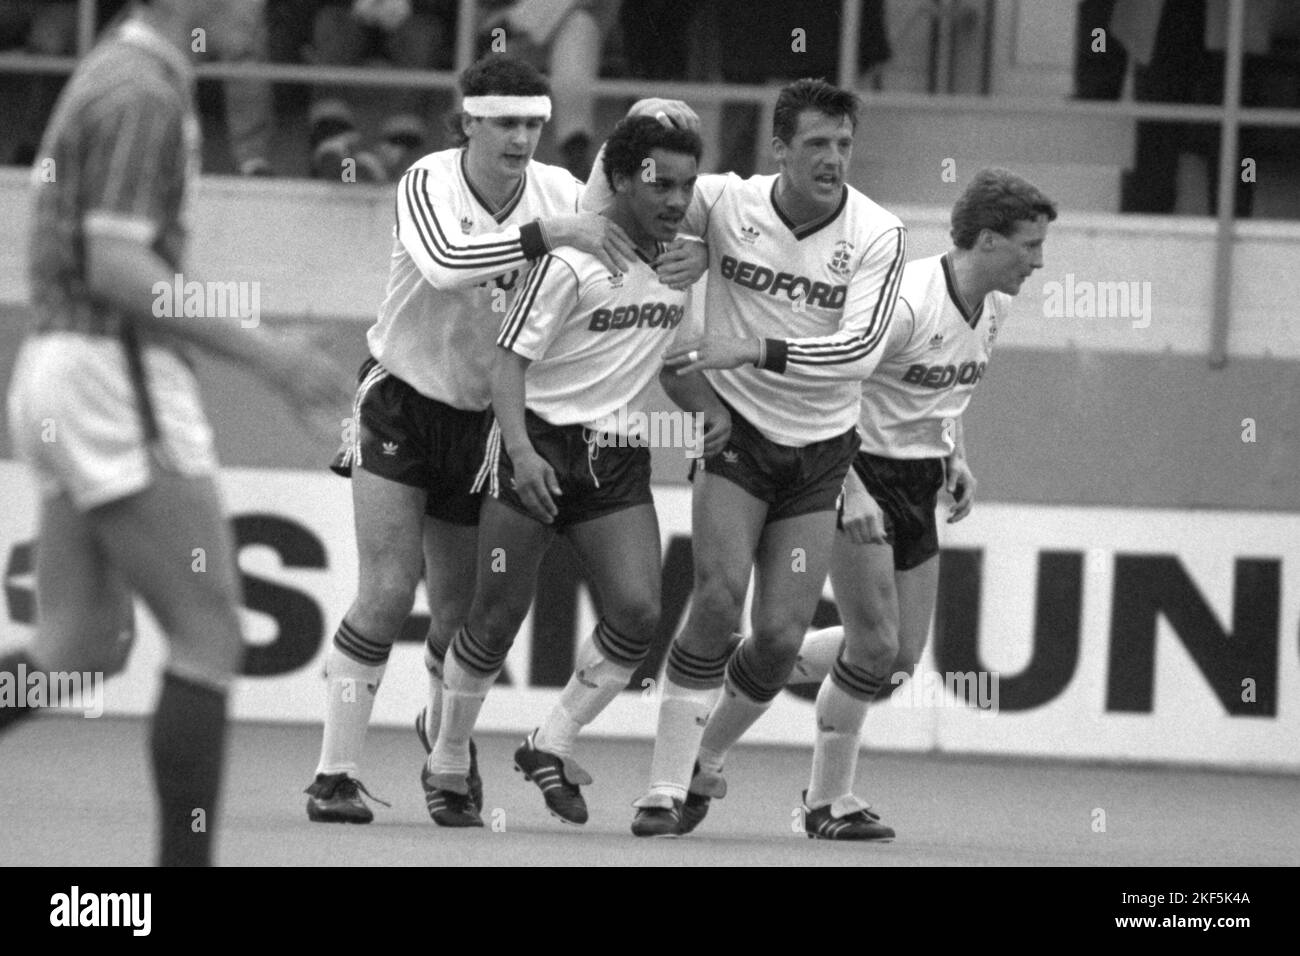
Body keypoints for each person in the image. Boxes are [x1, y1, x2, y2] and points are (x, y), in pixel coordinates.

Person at [303, 55, 704, 824]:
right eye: (505, 123)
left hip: (481, 421)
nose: (521, 138)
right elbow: (449, 264)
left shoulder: (560, 188)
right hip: (401, 402)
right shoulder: (428, 181)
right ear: (468, 124)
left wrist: (698, 249)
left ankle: (443, 745)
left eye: (532, 124)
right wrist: (553, 233)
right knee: (387, 592)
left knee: (456, 616)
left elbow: (647, 181)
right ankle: (336, 773)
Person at [0, 0, 348, 866]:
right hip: (109, 373)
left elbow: (133, 261)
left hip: (64, 369)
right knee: (210, 635)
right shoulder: (143, 92)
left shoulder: (128, 75)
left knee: (79, 647)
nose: (262, 14)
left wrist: (243, 341)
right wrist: (268, 358)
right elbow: (118, 267)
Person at [581, 79, 909, 837]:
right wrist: (646, 117)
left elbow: (858, 352)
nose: (833, 159)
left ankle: (707, 757)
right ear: (780, 149)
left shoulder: (878, 233)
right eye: (817, 144)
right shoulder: (726, 202)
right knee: (718, 597)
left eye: (843, 145)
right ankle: (661, 787)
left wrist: (750, 346)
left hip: (821, 451)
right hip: (739, 439)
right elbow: (610, 193)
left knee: (781, 637)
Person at [421, 115, 727, 827]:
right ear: (619, 179)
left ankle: (550, 741)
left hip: (616, 459)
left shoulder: (681, 266)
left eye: (686, 185)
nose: (676, 199)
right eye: (660, 182)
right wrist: (521, 452)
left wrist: (709, 410)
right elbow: (508, 362)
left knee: (639, 612)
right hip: (541, 447)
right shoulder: (569, 259)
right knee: (492, 620)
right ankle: (447, 760)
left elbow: (677, 363)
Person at [753, 168, 1057, 840]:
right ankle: (826, 801)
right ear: (985, 239)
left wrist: (956, 455)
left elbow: (942, 393)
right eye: (1028, 246)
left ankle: (760, 662)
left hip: (918, 479)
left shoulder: (995, 306)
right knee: (875, 644)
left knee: (899, 657)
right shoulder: (906, 302)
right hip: (855, 470)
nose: (1039, 262)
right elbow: (832, 391)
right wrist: (845, 484)